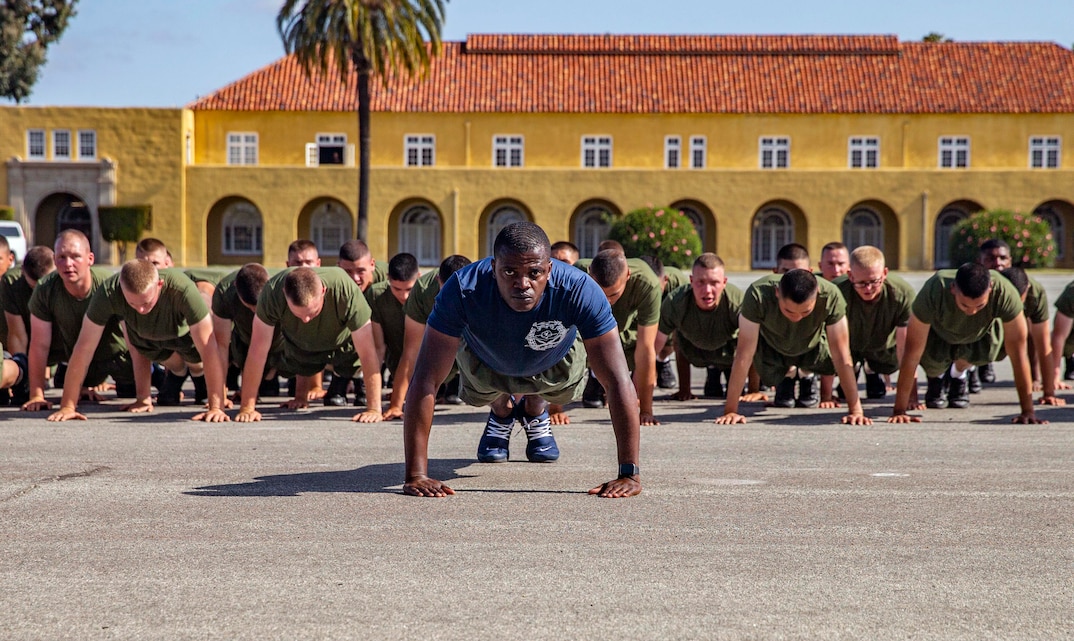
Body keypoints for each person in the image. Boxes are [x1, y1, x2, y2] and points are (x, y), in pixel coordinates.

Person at [402, 222, 640, 498]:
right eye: (509, 272)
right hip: (487, 363)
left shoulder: (579, 289)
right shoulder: (461, 289)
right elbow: (426, 379)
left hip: (555, 364)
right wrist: (416, 475)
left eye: (534, 272)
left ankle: (535, 407)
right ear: (493, 268)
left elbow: (618, 380)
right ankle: (502, 411)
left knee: (562, 391)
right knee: (479, 393)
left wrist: (629, 473)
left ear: (549, 269)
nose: (522, 283)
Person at [46, 259, 229, 422]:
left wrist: (216, 407)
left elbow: (209, 348)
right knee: (144, 344)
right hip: (148, 341)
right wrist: (68, 406)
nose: (141, 310)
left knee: (197, 361)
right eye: (133, 303)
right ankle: (177, 372)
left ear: (159, 285)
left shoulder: (182, 289)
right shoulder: (109, 292)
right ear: (121, 289)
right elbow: (84, 347)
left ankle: (196, 374)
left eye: (146, 302)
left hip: (186, 338)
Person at [888, 263, 1052, 424]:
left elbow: (1019, 355)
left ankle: (959, 373)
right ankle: (937, 377)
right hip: (938, 335)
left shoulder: (1005, 293)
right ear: (953, 288)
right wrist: (899, 410)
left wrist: (1028, 411)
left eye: (980, 305)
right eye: (964, 305)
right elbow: (912, 354)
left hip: (979, 335)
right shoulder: (934, 290)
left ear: (990, 288)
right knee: (933, 365)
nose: (972, 311)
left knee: (990, 353)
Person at [716, 269, 870, 425]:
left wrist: (856, 411)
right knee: (768, 376)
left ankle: (806, 373)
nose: (796, 318)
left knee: (835, 362)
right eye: (788, 311)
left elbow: (841, 355)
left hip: (813, 347)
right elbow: (744, 354)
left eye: (805, 311)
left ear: (817, 293)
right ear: (777, 293)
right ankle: (787, 374)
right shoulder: (758, 294)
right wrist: (730, 411)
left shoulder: (831, 296)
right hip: (773, 348)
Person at [233, 266, 383, 423]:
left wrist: (374, 409)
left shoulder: (345, 290)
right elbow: (257, 351)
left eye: (312, 312)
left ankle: (353, 383)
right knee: (282, 364)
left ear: (323, 291)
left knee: (355, 362)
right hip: (300, 347)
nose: (305, 320)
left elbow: (367, 353)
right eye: (298, 314)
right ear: (284, 293)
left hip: (343, 345)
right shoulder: (271, 293)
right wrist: (247, 408)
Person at [22, 230, 139, 411]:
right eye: (61, 257)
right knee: (63, 377)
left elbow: (134, 341)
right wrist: (36, 395)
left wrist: (144, 397)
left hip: (121, 359)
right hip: (81, 362)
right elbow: (39, 345)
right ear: (54, 260)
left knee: (137, 390)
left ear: (90, 259)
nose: (68, 264)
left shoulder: (110, 285)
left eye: (75, 256)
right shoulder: (45, 288)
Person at [576, 249, 661, 425]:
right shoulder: (577, 275)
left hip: (622, 334)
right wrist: (555, 408)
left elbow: (646, 349)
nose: (605, 301)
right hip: (586, 334)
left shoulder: (647, 283)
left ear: (628, 275)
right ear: (590, 273)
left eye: (613, 294)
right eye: (599, 292)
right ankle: (594, 377)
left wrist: (646, 410)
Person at [830, 246, 916, 402]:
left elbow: (905, 349)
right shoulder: (836, 292)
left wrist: (911, 396)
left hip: (884, 349)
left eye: (874, 281)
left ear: (884, 273)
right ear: (850, 276)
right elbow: (827, 338)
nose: (868, 289)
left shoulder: (902, 293)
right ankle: (853, 369)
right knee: (826, 358)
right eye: (861, 283)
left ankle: (872, 369)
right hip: (848, 347)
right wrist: (826, 396)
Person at [654, 253, 741, 401]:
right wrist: (639, 393)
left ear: (724, 282)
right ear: (691, 281)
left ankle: (724, 371)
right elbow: (652, 349)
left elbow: (752, 345)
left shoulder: (736, 302)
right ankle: (710, 373)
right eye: (700, 282)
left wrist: (753, 389)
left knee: (738, 391)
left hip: (729, 354)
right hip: (695, 351)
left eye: (714, 283)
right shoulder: (676, 302)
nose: (707, 290)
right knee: (677, 335)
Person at [395, 255, 473, 410]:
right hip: (441, 341)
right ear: (438, 281)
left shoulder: (488, 286)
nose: (454, 297)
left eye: (460, 291)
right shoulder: (422, 290)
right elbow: (411, 351)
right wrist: (395, 406)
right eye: (449, 290)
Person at [367, 252, 421, 419]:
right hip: (396, 360)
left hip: (429, 360)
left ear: (419, 277)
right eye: (397, 289)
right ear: (387, 278)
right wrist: (374, 404)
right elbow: (378, 349)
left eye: (409, 289)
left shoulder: (426, 294)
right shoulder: (376, 295)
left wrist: (396, 405)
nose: (404, 296)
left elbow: (412, 351)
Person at [998, 267, 1063, 404]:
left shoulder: (1035, 293)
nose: (1014, 306)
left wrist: (1049, 393)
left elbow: (1043, 345)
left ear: (1027, 288)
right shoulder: (993, 291)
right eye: (1011, 301)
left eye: (1018, 300)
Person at [638, 254, 689, 391]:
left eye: (655, 288)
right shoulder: (633, 283)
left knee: (672, 337)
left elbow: (681, 331)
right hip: (640, 320)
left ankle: (662, 360)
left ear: (665, 280)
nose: (652, 294)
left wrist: (685, 388)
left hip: (666, 321)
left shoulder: (680, 284)